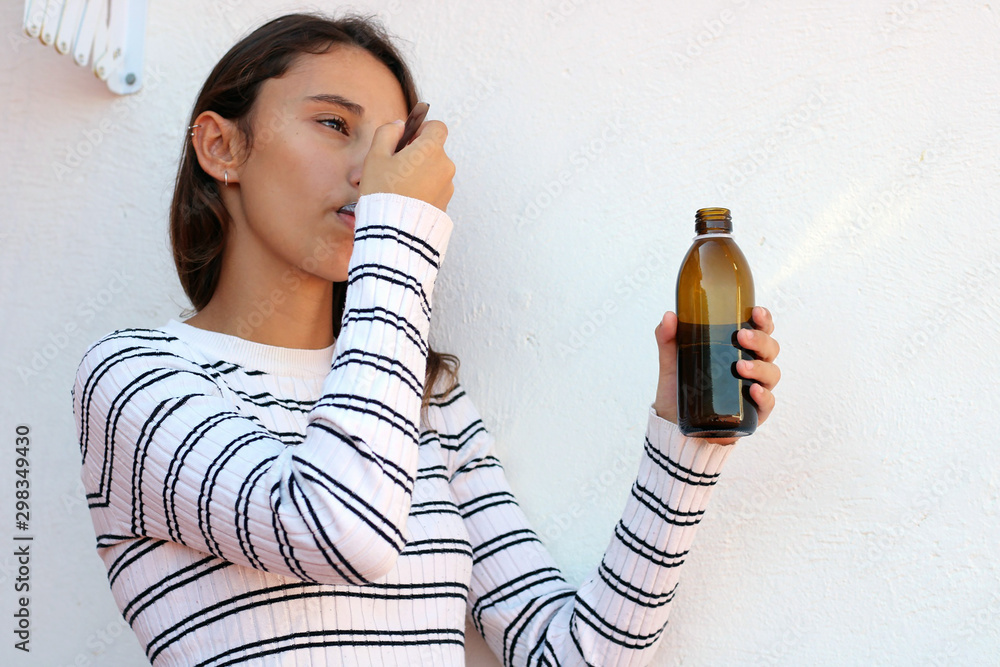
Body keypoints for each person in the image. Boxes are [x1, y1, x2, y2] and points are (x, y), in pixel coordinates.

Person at [71, 13, 781, 666]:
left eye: (391, 147)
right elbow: (341, 527)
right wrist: (397, 228)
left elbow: (570, 655)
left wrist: (687, 441)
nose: (371, 170)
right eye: (332, 124)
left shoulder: (426, 403)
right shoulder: (137, 379)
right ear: (221, 147)